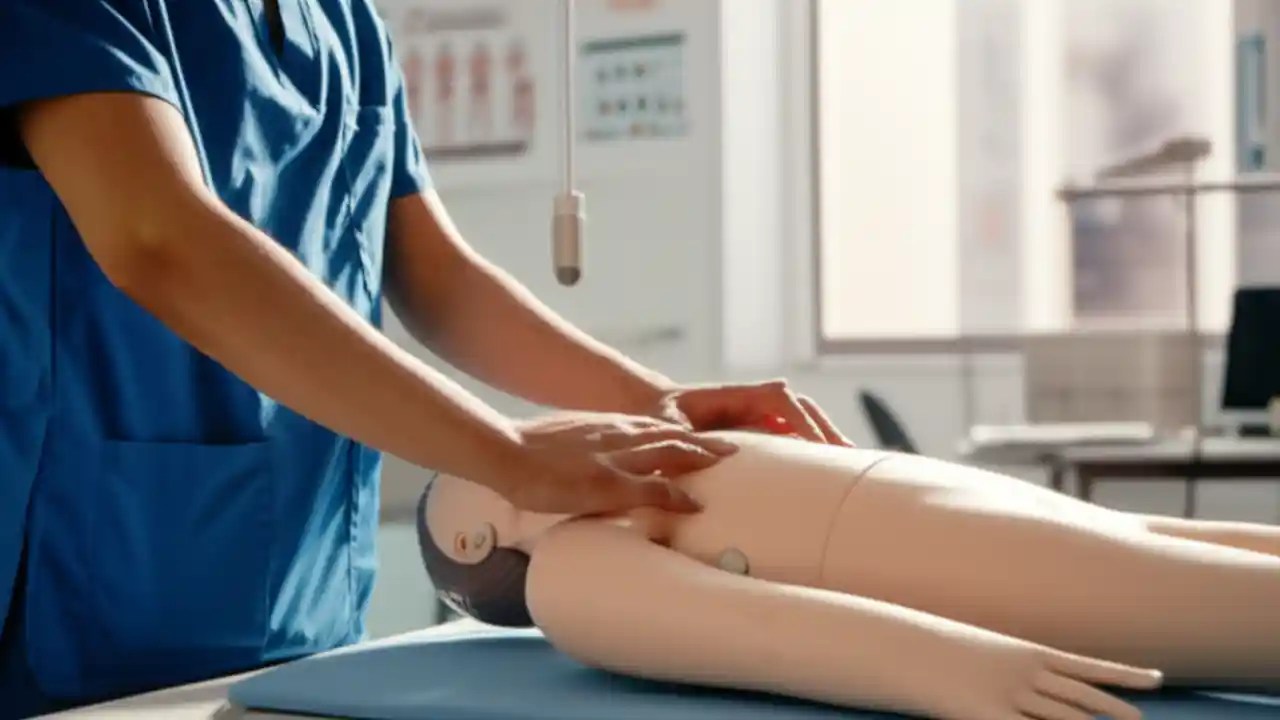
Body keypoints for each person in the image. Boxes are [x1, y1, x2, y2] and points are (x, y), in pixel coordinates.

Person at [0, 1, 852, 716]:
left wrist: (656, 399)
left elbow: (434, 274)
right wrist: (506, 455)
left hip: (302, 604)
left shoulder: (343, 21)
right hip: (85, 589)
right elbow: (158, 238)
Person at [420, 428, 1280, 720]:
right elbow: (764, 632)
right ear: (472, 540)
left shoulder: (614, 450)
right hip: (934, 550)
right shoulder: (566, 573)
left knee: (1202, 554)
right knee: (1234, 605)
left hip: (938, 500)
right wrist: (948, 667)